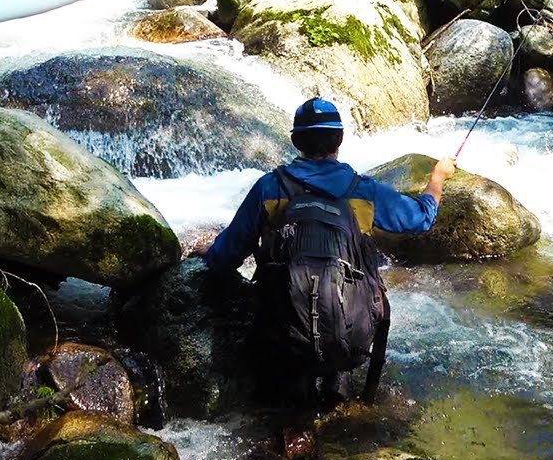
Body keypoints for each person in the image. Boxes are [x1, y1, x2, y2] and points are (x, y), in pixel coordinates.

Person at [196, 96, 457, 409]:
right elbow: (421, 218)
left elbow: (226, 257)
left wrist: (205, 251)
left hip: (281, 335)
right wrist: (437, 178)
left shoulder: (269, 188)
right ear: (340, 139)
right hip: (353, 335)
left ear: (295, 141)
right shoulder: (364, 190)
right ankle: (337, 383)